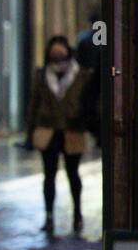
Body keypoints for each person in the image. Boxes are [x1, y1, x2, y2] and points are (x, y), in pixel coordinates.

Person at [25, 35, 92, 236]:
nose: (57, 55)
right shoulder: (41, 75)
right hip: (48, 130)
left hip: (72, 130)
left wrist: (86, 122)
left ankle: (78, 215)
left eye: (61, 51)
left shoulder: (81, 75)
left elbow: (88, 103)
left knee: (73, 174)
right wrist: (29, 134)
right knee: (49, 176)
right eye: (54, 52)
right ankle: (49, 216)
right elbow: (33, 106)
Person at [74, 12, 101, 148]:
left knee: (90, 106)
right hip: (96, 78)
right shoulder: (98, 39)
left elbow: (78, 59)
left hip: (90, 78)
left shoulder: (85, 39)